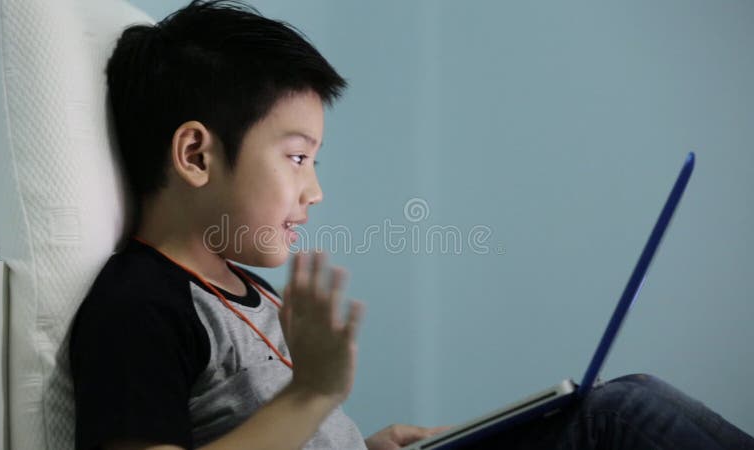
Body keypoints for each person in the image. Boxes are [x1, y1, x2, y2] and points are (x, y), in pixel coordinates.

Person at [68, 1, 754, 449]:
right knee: (619, 421)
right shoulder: (139, 307)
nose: (315, 189)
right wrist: (313, 392)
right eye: (298, 157)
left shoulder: (249, 290)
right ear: (195, 154)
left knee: (614, 404)